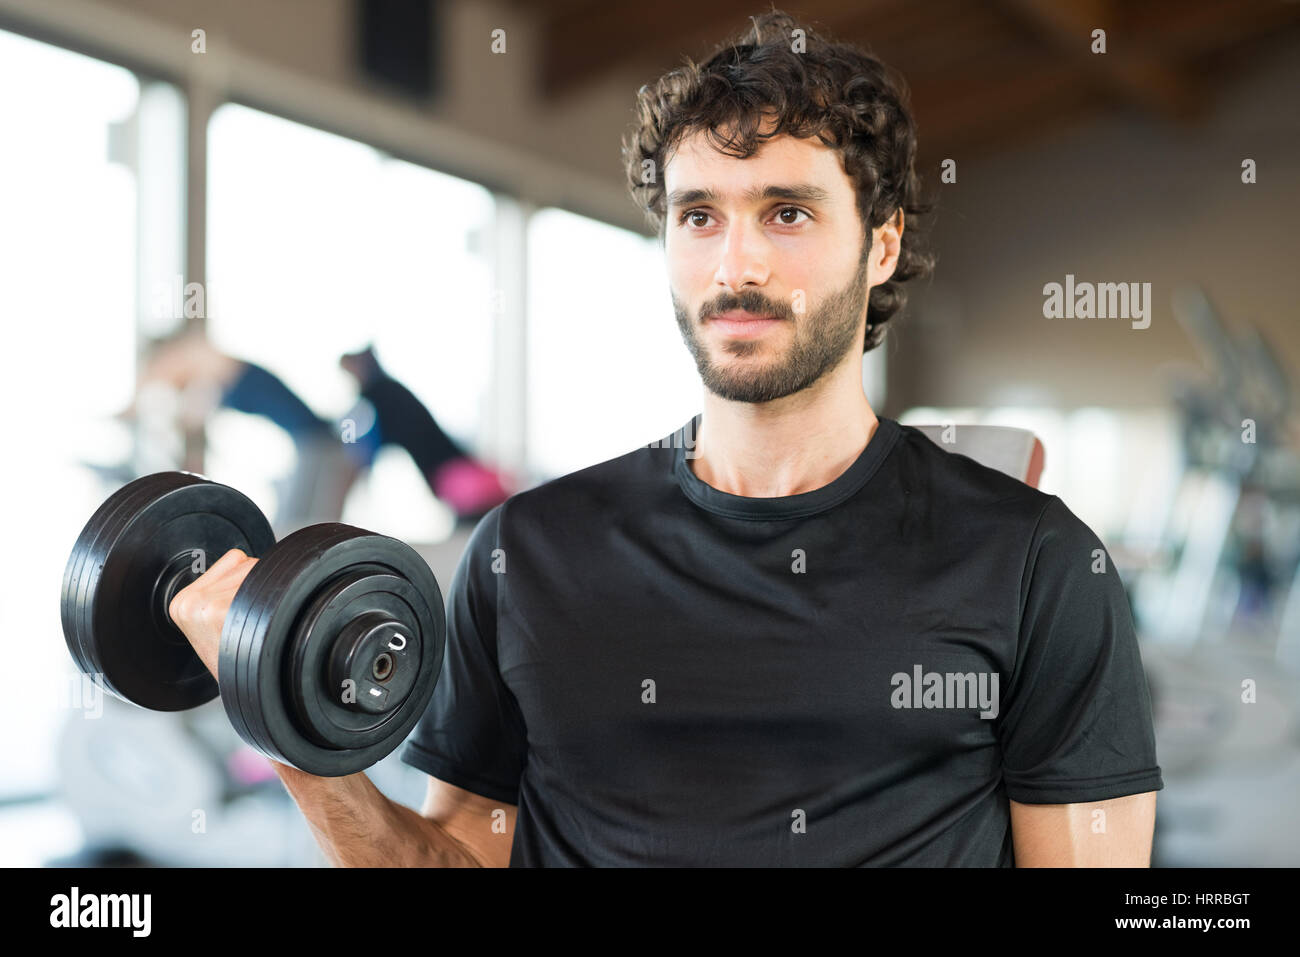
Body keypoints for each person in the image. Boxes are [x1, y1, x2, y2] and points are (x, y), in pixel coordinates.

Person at [168, 11, 1162, 866]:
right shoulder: (526, 552)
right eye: (698, 215)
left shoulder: (1031, 561)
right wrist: (280, 712)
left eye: (786, 212)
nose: (735, 265)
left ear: (882, 243)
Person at [339, 345, 512, 524]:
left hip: (455, 477)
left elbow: (369, 447)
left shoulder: (380, 393)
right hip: (453, 473)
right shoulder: (388, 391)